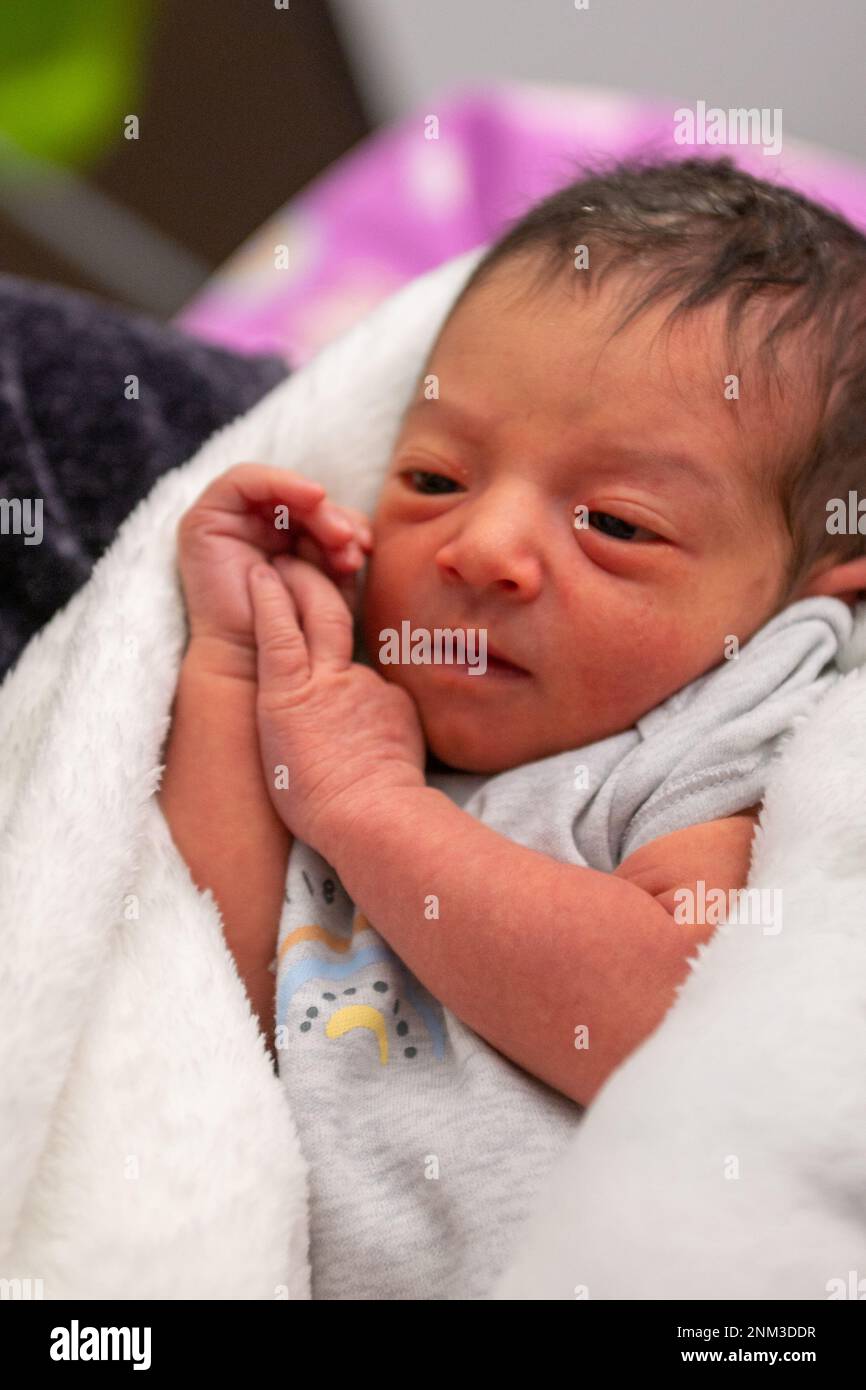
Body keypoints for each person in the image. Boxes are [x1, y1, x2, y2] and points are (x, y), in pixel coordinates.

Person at [158, 156, 866, 1299]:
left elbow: (671, 1021)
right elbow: (198, 990)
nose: (478, 549)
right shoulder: (355, 712)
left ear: (804, 592)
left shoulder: (711, 728)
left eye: (613, 524)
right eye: (433, 478)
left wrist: (368, 808)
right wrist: (237, 659)